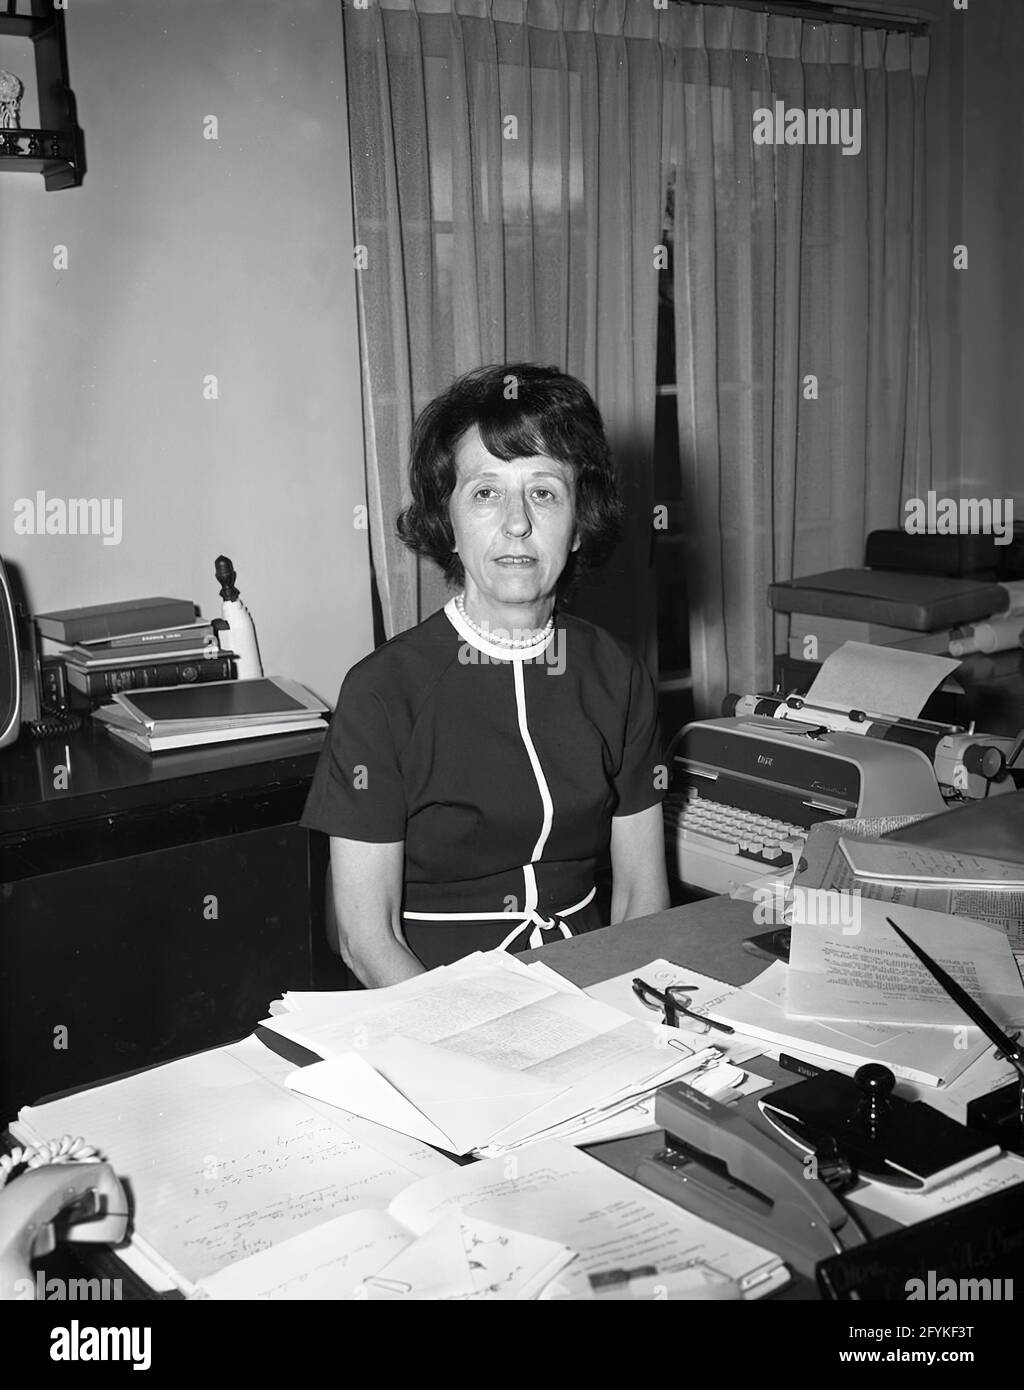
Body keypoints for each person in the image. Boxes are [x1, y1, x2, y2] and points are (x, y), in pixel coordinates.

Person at [302, 362, 669, 986]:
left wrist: (619, 1013)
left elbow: (641, 897)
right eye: (486, 492)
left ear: (580, 524)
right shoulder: (382, 692)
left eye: (545, 492)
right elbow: (366, 940)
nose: (518, 522)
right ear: (448, 522)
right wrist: (476, 1039)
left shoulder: (618, 674)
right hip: (428, 997)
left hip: (592, 983)